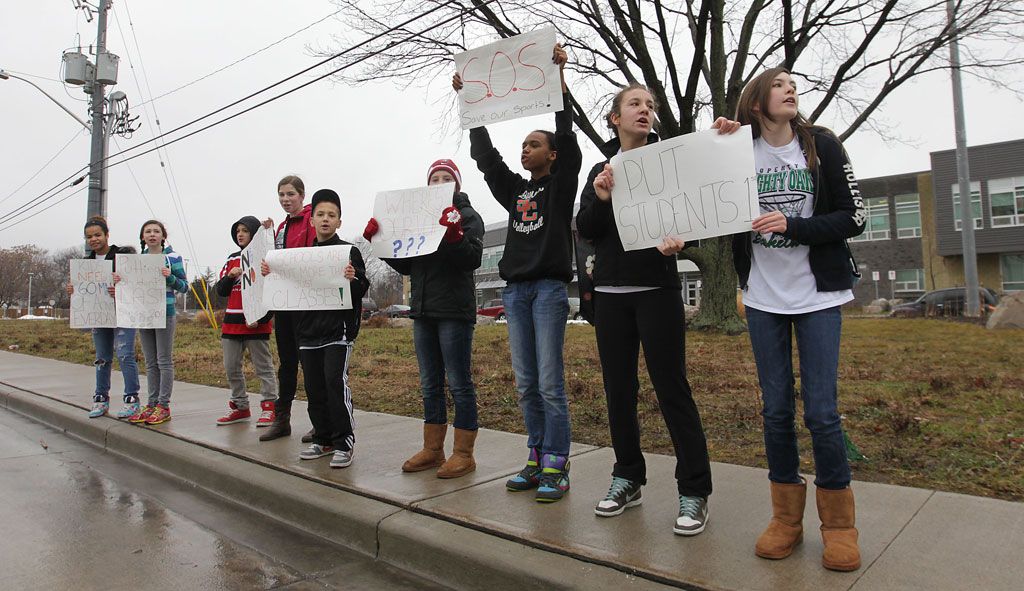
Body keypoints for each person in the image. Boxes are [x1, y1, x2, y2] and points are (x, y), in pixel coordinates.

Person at [576, 83, 739, 535]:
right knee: (619, 391)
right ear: (616, 118)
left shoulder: (672, 161)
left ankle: (695, 489)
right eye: (635, 104)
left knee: (672, 389)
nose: (644, 110)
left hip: (657, 291)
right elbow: (587, 228)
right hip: (611, 295)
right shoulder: (602, 169)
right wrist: (602, 197)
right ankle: (628, 476)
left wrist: (681, 241)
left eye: (650, 105)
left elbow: (696, 216)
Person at [733, 67, 865, 571]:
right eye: (779, 84)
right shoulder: (737, 150)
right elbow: (699, 193)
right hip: (763, 298)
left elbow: (854, 217)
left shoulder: (821, 145)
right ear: (757, 101)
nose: (791, 89)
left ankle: (839, 526)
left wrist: (794, 225)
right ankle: (786, 520)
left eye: (793, 84)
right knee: (775, 411)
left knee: (822, 413)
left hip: (818, 295)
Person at [454, 42, 581, 502]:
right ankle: (535, 454)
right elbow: (488, 162)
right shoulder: (516, 193)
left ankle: (557, 462)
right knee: (526, 384)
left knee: (549, 383)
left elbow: (567, 134)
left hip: (548, 291)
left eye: (534, 144)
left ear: (552, 155)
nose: (525, 150)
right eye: (523, 145)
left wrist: (560, 80)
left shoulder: (561, 188)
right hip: (515, 293)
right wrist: (472, 107)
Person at [362, 159, 484, 478]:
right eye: (435, 178)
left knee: (459, 382)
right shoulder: (418, 218)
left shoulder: (468, 216)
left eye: (446, 178)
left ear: (456, 184)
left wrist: (455, 235)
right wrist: (380, 243)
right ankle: (433, 449)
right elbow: (407, 264)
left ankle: (463, 454)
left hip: (454, 312)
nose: (440, 183)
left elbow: (472, 258)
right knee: (430, 383)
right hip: (423, 311)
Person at [262, 189, 369, 468]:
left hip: (338, 333)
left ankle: (344, 441)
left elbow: (361, 289)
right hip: (308, 332)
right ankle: (322, 438)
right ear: (312, 220)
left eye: (331, 215)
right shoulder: (302, 256)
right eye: (320, 214)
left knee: (334, 383)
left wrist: (353, 279)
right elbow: (287, 286)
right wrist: (270, 274)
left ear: (339, 221)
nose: (325, 219)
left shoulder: (348, 251)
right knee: (314, 388)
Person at [66, 216, 140, 419]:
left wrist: (121, 288)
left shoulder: (123, 256)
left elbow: (137, 284)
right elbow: (82, 293)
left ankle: (132, 399)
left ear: (107, 235)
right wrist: (73, 290)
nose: (94, 239)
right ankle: (100, 399)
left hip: (123, 313)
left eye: (97, 235)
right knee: (101, 357)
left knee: (125, 355)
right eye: (89, 237)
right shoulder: (85, 264)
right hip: (99, 315)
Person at [260, 175, 316, 442]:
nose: (285, 199)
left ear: (302, 195)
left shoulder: (311, 220)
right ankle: (282, 420)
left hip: (306, 304)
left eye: (291, 194)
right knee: (287, 364)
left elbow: (314, 255)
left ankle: (320, 421)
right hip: (284, 305)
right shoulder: (281, 227)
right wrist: (265, 238)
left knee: (310, 364)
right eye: (281, 195)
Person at [214, 216, 278, 428]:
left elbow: (272, 290)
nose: (240, 234)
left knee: (263, 368)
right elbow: (221, 291)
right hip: (232, 323)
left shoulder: (265, 258)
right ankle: (240, 407)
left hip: (256, 323)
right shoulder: (232, 259)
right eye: (237, 231)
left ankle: (269, 406)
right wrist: (230, 277)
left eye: (245, 230)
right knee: (231, 367)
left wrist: (262, 317)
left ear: (254, 233)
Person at [125, 219, 188, 425]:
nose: (152, 234)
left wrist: (170, 278)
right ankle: (151, 404)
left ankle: (163, 405)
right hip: (144, 313)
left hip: (165, 313)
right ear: (142, 237)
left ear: (163, 236)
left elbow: (184, 286)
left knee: (164, 360)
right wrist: (120, 282)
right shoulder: (137, 261)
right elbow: (131, 288)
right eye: (148, 231)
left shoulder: (172, 257)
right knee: (150, 362)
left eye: (156, 231)